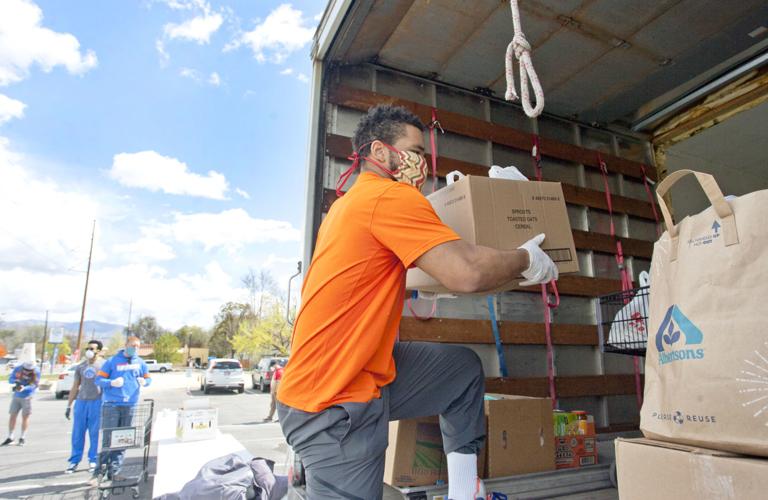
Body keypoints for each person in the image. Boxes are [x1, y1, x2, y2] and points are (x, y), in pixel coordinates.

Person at [276, 105, 557, 500]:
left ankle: (464, 491)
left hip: (365, 371)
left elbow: (384, 276)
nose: (423, 163)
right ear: (379, 151)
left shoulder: (347, 205)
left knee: (460, 372)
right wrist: (526, 259)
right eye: (415, 151)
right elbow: (467, 273)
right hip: (333, 403)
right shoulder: (389, 196)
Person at [93, 336, 151, 482]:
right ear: (125, 345)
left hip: (130, 405)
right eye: (132, 345)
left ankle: (115, 471)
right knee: (108, 439)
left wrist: (145, 381)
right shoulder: (112, 362)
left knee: (123, 439)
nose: (135, 348)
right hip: (112, 404)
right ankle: (99, 472)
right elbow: (99, 380)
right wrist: (111, 382)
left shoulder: (140, 363)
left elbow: (148, 378)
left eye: (137, 346)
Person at [64, 340, 104, 474]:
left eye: (92, 348)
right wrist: (69, 405)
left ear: (98, 351)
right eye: (87, 348)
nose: (89, 351)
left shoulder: (104, 365)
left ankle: (93, 460)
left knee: (94, 433)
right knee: (77, 433)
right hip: (81, 402)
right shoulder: (81, 366)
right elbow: (75, 386)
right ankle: (74, 461)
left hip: (96, 402)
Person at [2, 360, 41, 446]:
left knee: (25, 417)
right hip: (16, 395)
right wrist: (16, 381)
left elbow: (34, 385)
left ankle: (22, 437)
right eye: (26, 369)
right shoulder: (18, 368)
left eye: (29, 370)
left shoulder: (37, 371)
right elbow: (10, 379)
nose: (27, 371)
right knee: (12, 415)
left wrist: (25, 388)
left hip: (27, 396)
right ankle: (10, 437)